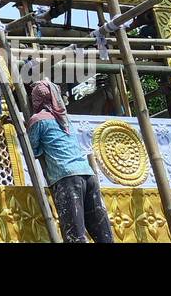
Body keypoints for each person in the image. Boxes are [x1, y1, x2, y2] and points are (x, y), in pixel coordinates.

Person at [17, 79, 114, 243]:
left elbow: (32, 149)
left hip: (66, 178)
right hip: (87, 174)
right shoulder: (64, 119)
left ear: (36, 100)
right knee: (103, 234)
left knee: (75, 236)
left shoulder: (38, 120)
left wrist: (25, 128)